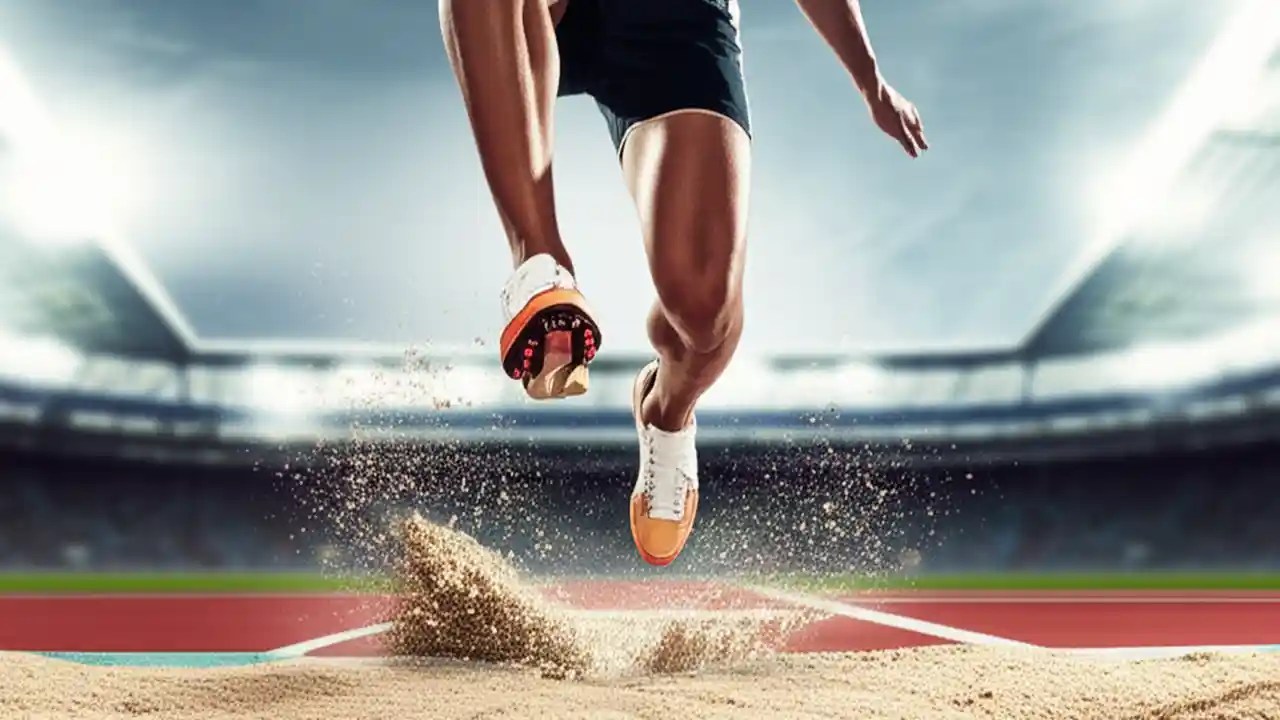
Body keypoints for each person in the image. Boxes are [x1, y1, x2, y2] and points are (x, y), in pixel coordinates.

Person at [439, 0, 928, 566]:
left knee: (704, 308)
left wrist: (869, 81)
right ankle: (539, 266)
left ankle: (668, 410)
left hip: (678, 25)